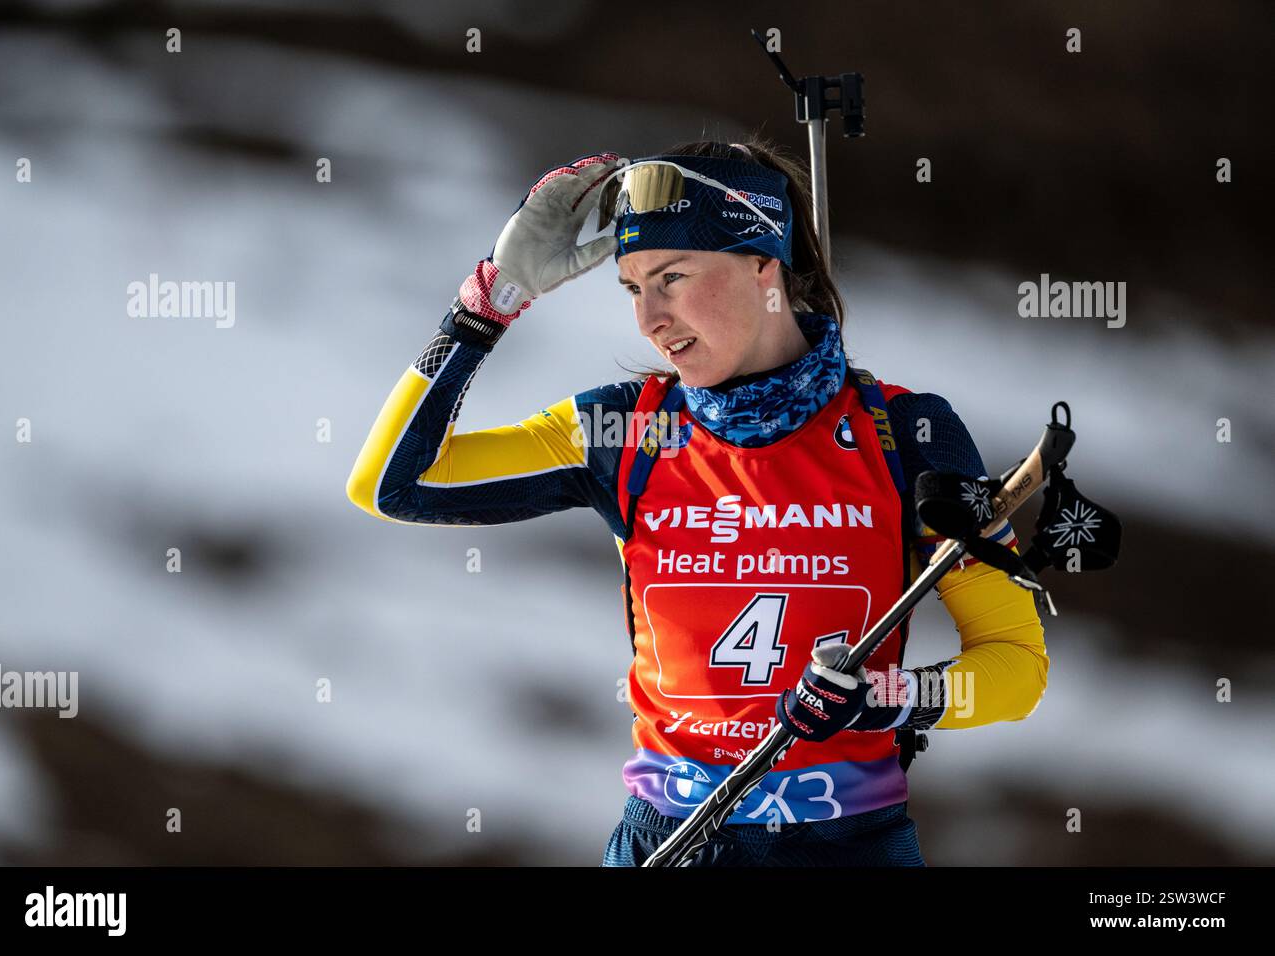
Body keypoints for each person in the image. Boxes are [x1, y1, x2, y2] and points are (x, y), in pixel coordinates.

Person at [345, 136, 1048, 867]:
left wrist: (886, 696)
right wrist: (490, 300)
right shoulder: (622, 432)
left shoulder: (909, 434)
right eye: (632, 287)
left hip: (847, 846)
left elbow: (1016, 669)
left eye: (672, 277)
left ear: (762, 265)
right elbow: (393, 483)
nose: (649, 318)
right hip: (669, 842)